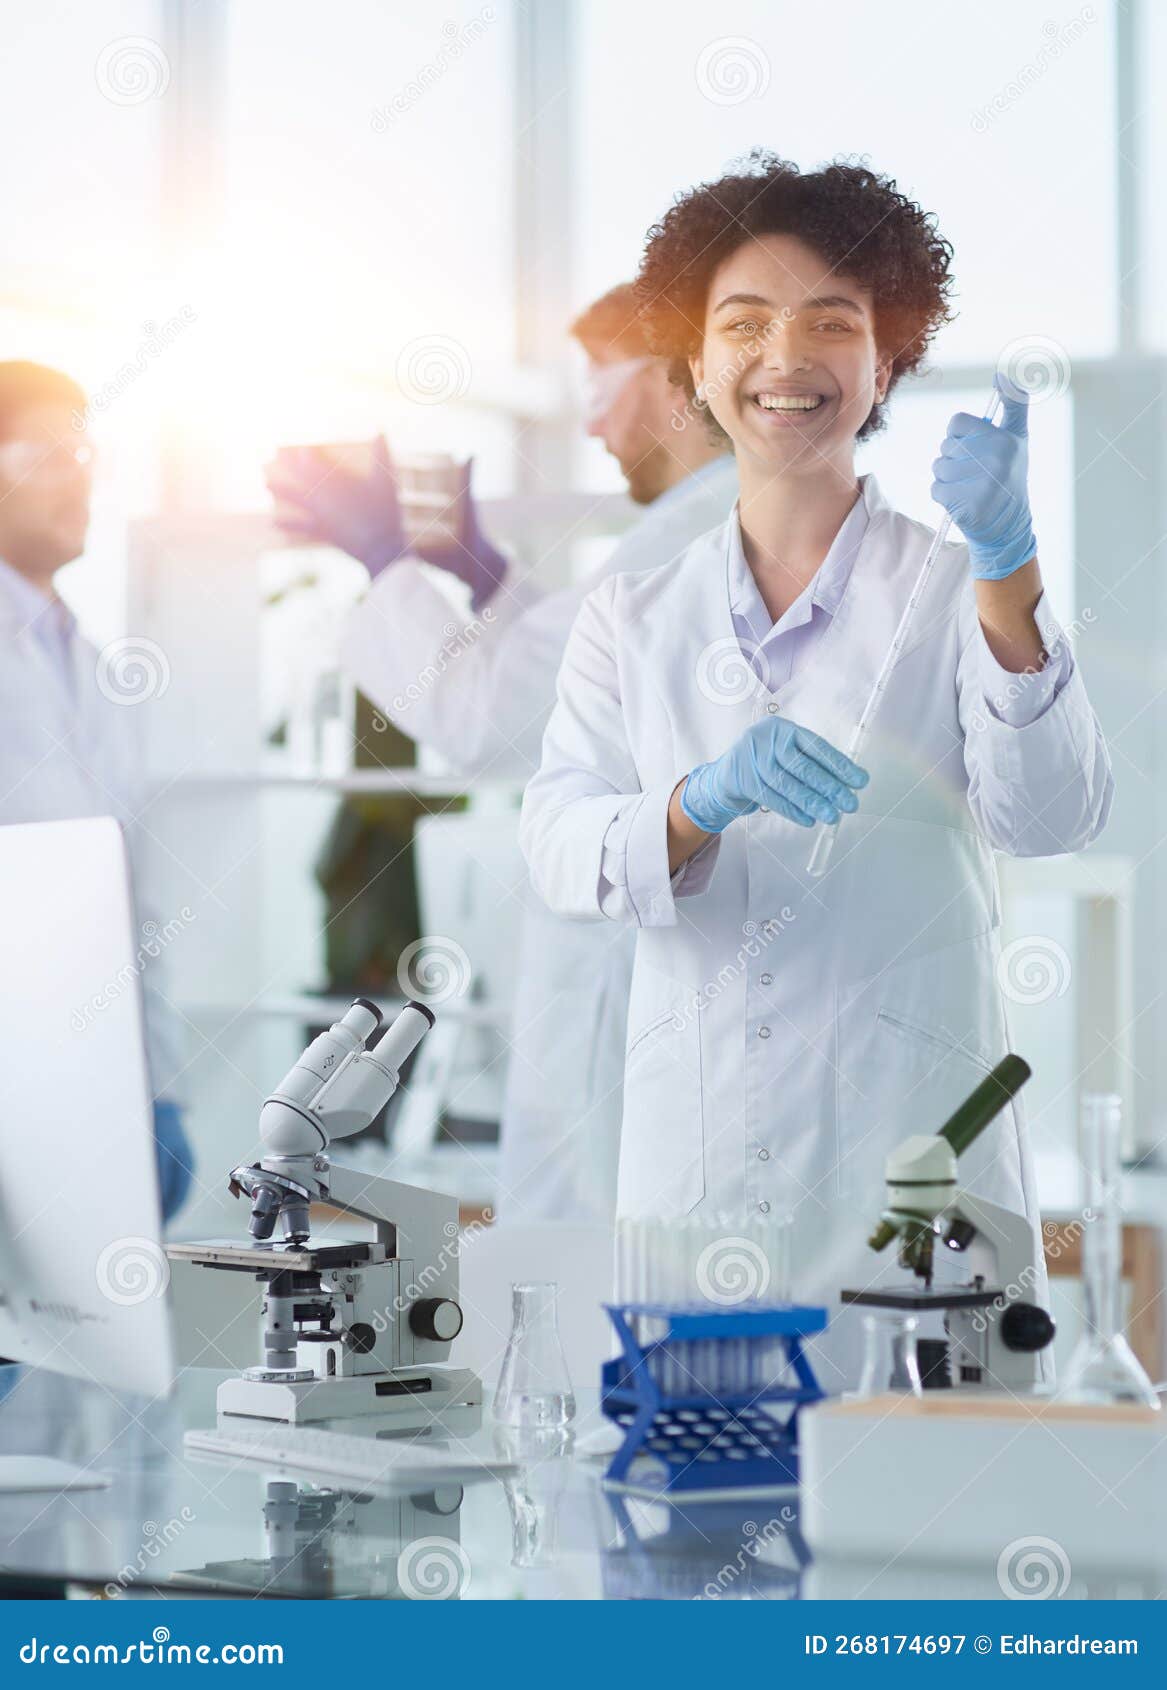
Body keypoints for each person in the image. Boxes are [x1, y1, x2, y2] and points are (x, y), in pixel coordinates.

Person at [519, 155, 1113, 1388]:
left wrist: (1007, 557)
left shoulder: (956, 583)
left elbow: (1049, 813)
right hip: (696, 1194)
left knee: (934, 1545)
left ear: (887, 363)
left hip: (917, 1178)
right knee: (687, 1527)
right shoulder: (629, 619)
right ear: (694, 367)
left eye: (832, 323)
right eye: (743, 323)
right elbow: (558, 846)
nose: (785, 358)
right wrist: (696, 802)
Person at [265, 285, 736, 1224]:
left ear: (674, 378)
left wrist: (382, 562)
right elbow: (567, 682)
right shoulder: (701, 527)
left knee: (583, 1261)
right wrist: (487, 579)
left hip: (629, 971)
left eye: (601, 382)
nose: (593, 417)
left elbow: (484, 720)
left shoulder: (675, 540)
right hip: (659, 962)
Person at [0, 361, 193, 1220]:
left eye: (84, 452)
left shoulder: (90, 663)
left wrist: (164, 1089)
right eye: (44, 451)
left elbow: (132, 899)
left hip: (94, 1090)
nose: (76, 474)